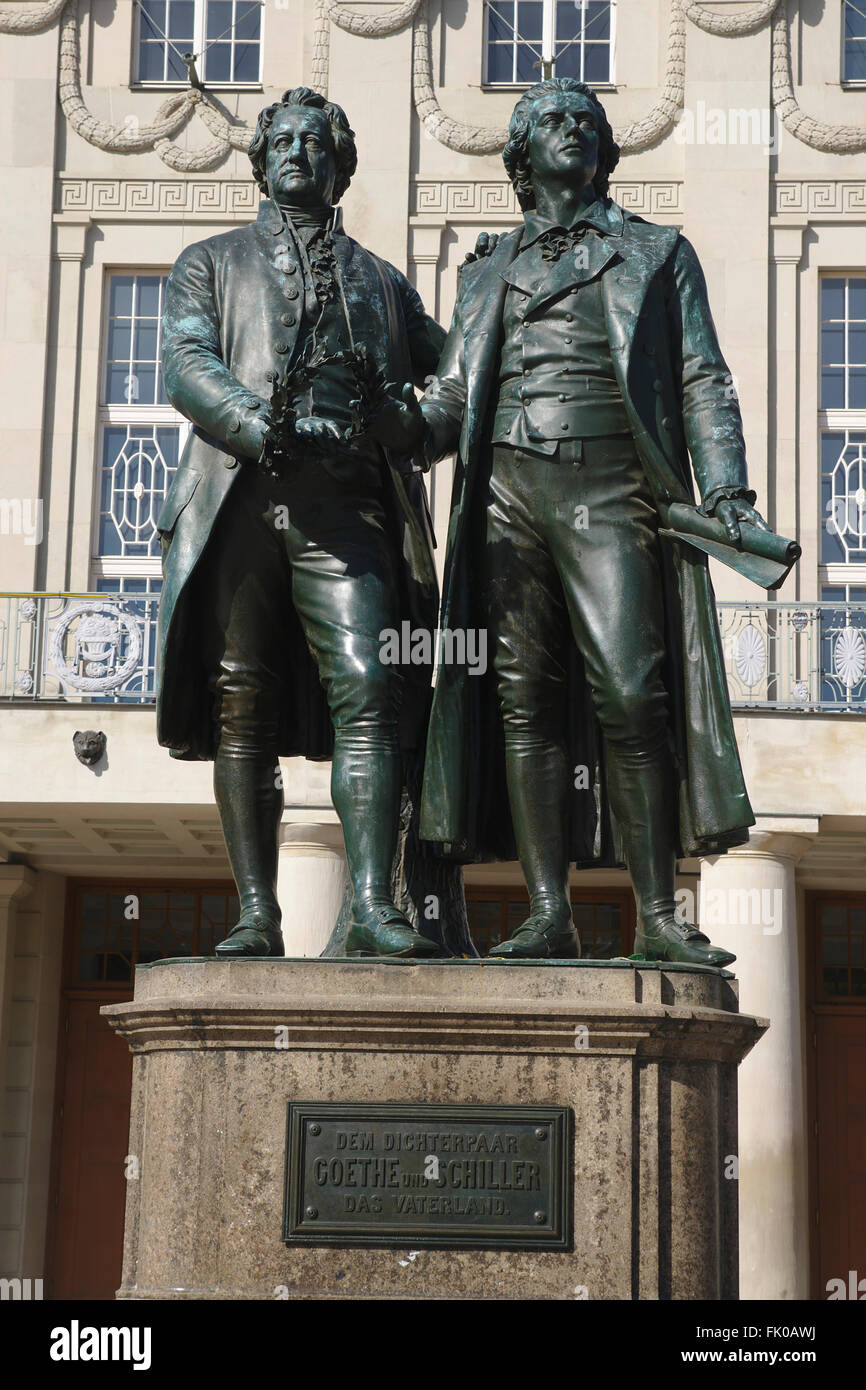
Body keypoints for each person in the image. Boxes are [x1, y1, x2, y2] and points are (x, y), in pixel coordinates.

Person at [377, 78, 768, 965]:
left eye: (589, 121)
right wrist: (392, 417)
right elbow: (450, 403)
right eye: (555, 120)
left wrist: (728, 490)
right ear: (521, 156)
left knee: (633, 692)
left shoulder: (659, 252)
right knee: (525, 707)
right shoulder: (485, 270)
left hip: (611, 486)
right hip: (507, 493)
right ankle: (547, 909)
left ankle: (659, 914)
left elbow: (704, 377)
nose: (576, 129)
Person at [157, 87, 445, 960]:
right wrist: (262, 425)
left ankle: (370, 906)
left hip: (347, 511)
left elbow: (454, 389)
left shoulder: (384, 284)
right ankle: (257, 912)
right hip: (241, 500)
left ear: (340, 164)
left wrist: (416, 420)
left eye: (315, 142)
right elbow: (185, 362)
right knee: (244, 698)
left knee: (368, 690)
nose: (296, 152)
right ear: (259, 160)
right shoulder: (208, 260)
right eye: (280, 141)